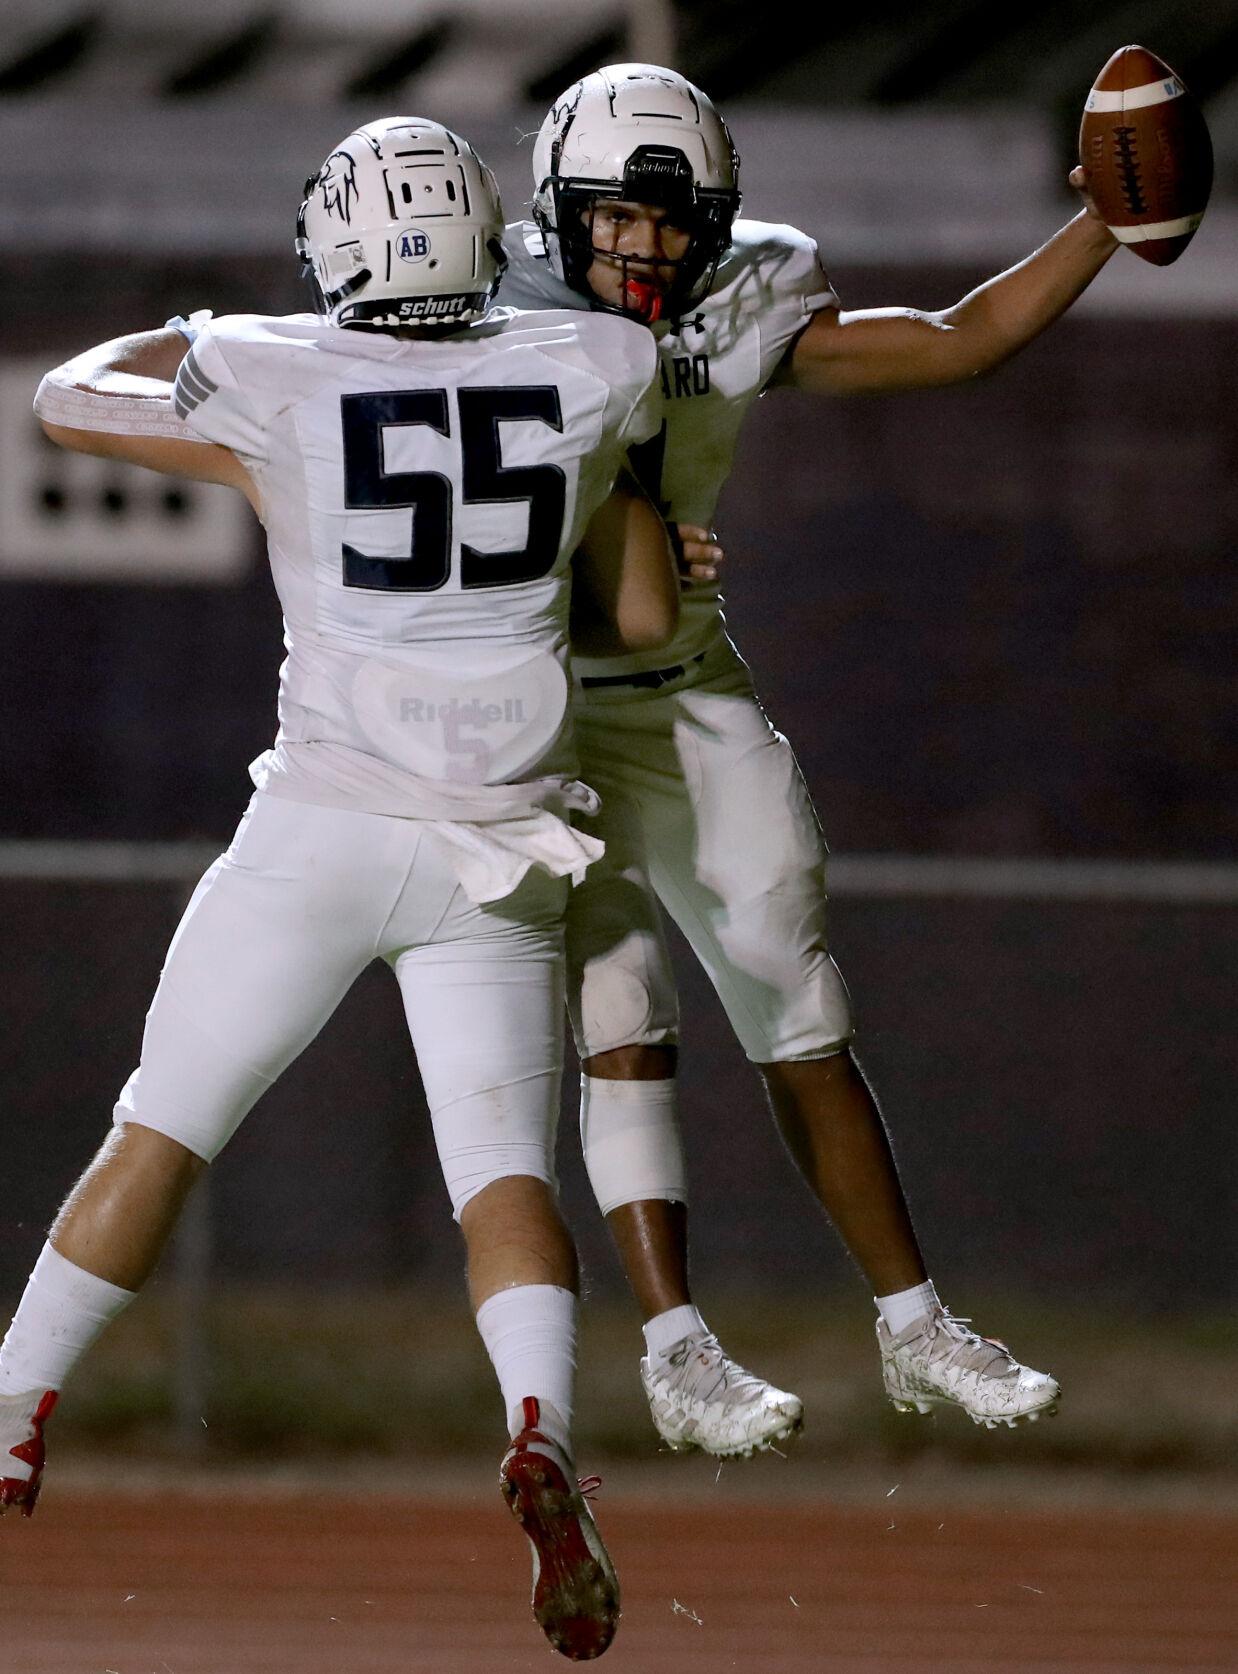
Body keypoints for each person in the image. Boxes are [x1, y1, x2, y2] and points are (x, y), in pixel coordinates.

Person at [0, 116, 683, 1663]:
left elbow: (64, 398)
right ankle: (537, 1428)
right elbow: (634, 603)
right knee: (504, 1174)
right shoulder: (593, 368)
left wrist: (181, 329)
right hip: (499, 844)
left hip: (323, 829)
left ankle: (10, 1414)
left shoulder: (271, 367)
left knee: (160, 1125)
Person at [495, 62, 1126, 1455]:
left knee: (799, 1001)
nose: (649, 246)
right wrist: (610, 557)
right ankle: (674, 1348)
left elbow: (959, 339)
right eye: (621, 215)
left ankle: (911, 1322)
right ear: (557, 208)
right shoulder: (478, 311)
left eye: (676, 221)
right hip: (532, 712)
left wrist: (1105, 227)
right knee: (621, 1016)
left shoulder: (744, 298)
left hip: (682, 697)